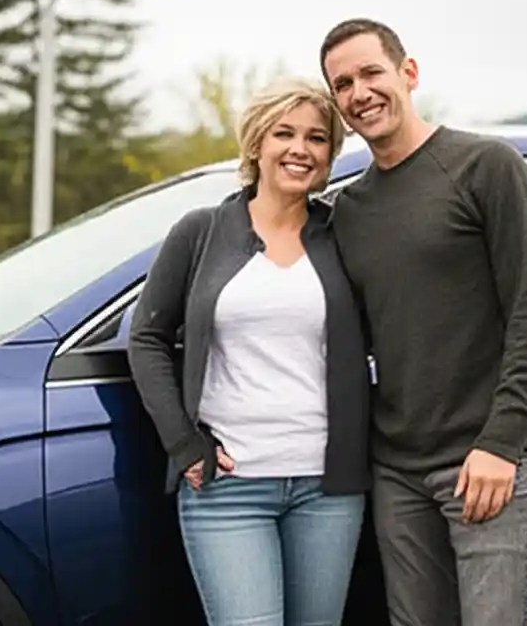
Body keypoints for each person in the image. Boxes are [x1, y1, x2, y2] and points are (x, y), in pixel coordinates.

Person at [318, 17, 527, 626]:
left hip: (488, 461)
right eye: (343, 84)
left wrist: (500, 444)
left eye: (371, 72)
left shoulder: (486, 166)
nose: (359, 93)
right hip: (399, 473)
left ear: (409, 72)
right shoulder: (350, 210)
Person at [128, 77, 372, 626]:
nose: (299, 149)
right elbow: (146, 339)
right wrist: (184, 443)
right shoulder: (201, 232)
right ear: (257, 143)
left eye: (316, 138)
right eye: (284, 133)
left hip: (327, 491)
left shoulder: (344, 235)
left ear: (330, 153)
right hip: (228, 491)